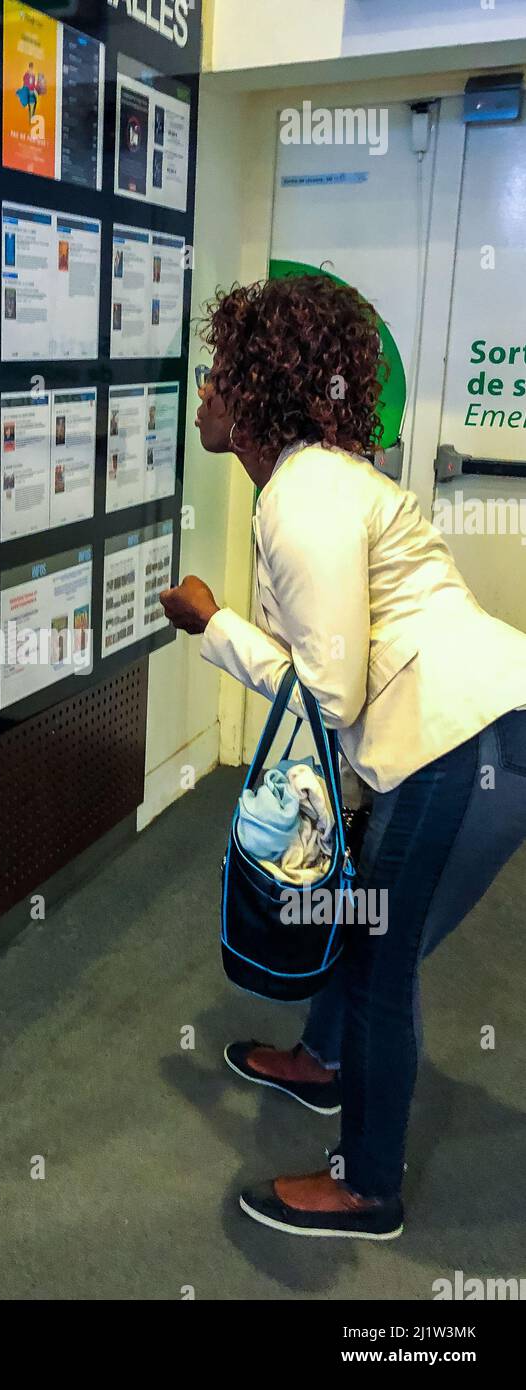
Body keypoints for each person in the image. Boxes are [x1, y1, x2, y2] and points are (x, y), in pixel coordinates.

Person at [161, 275, 526, 1240]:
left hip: (466, 742)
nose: (202, 392)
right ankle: (324, 1066)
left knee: (375, 957)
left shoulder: (303, 491)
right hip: (465, 735)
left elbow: (329, 694)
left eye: (215, 374)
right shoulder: (322, 479)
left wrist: (214, 626)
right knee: (366, 918)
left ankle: (368, 1189)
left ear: (253, 388)